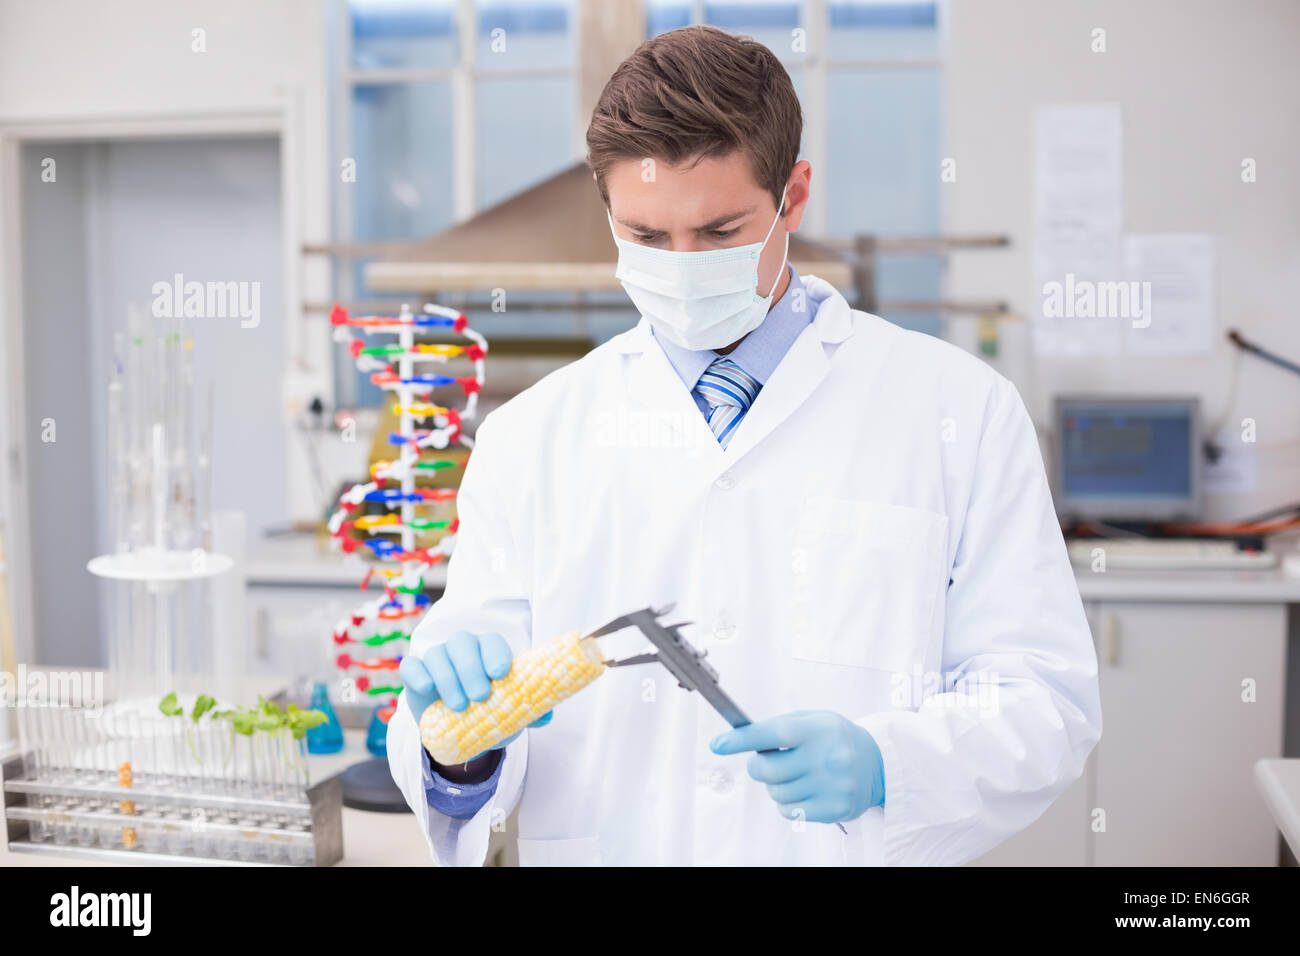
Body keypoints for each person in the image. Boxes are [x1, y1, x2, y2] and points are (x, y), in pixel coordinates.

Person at [387, 24, 1101, 866]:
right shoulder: (529, 438)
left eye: (721, 231)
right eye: (647, 238)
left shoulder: (959, 410)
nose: (682, 266)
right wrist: (459, 747)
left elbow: (1043, 701)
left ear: (793, 197)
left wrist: (890, 767)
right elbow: (468, 752)